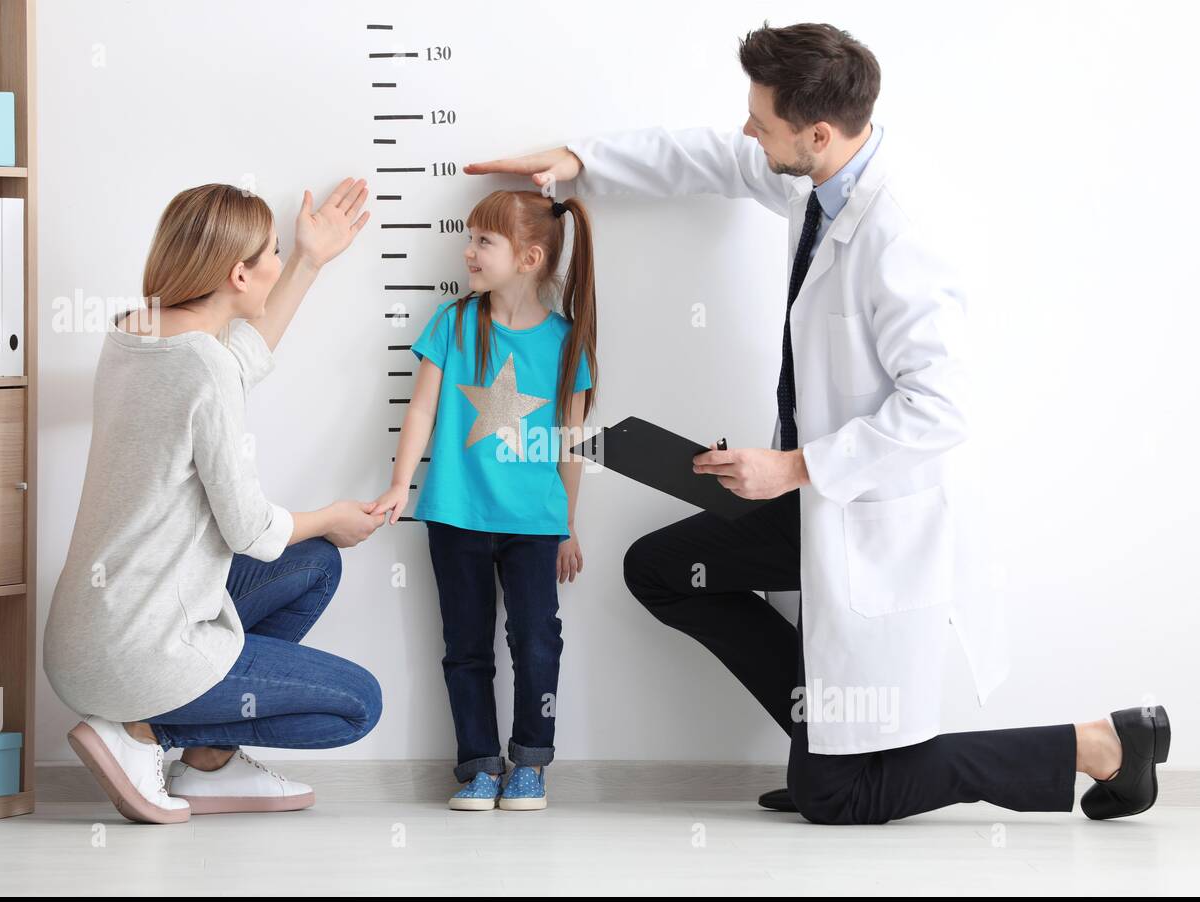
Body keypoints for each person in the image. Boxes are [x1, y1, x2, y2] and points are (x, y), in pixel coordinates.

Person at [464, 20, 1169, 824]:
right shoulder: (816, 179)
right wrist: (582, 159)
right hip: (815, 494)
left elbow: (940, 406)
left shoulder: (901, 233)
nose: (747, 132)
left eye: (762, 122)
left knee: (837, 798)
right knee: (660, 569)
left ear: (818, 132)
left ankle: (1098, 744)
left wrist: (791, 468)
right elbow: (711, 155)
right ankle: (823, 732)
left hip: (869, 505)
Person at [44, 180, 385, 824]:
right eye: (276, 254)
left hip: (85, 636)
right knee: (358, 703)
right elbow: (252, 529)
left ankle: (210, 760)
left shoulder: (134, 332)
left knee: (315, 563)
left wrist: (311, 261)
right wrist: (336, 516)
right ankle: (145, 735)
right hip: (139, 656)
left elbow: (238, 362)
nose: (280, 264)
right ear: (237, 273)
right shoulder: (204, 368)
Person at [372, 190, 596, 811]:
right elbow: (420, 407)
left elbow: (571, 445)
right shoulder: (454, 322)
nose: (468, 252)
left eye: (483, 241)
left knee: (536, 641)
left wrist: (568, 526)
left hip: (534, 523)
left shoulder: (566, 340)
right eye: (469, 237)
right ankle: (477, 765)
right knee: (465, 646)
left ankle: (530, 763)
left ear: (528, 257)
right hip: (454, 514)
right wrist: (400, 484)